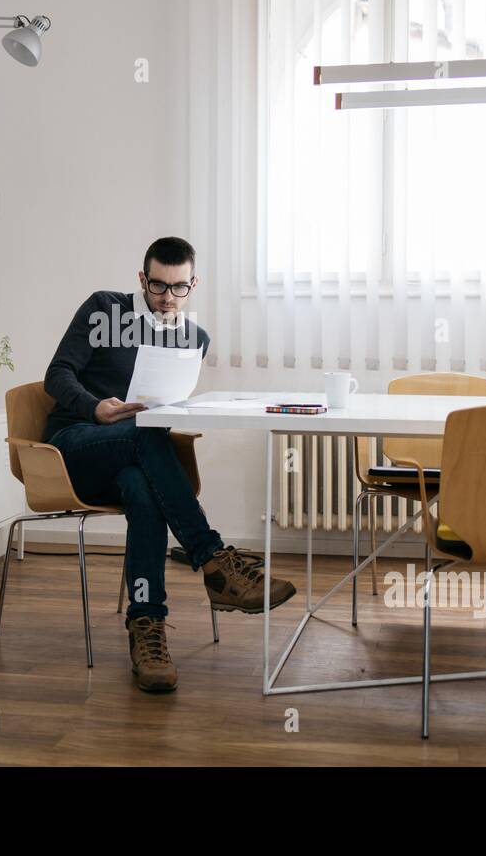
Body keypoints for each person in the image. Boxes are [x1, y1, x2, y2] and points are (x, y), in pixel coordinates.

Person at [42, 236, 296, 692]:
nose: (166, 297)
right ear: (143, 279)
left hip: (134, 456)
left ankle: (147, 628)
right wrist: (94, 406)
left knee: (142, 486)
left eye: (178, 288)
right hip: (73, 447)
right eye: (158, 285)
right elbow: (56, 374)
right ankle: (213, 560)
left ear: (192, 284)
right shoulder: (105, 310)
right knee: (144, 439)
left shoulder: (193, 339)